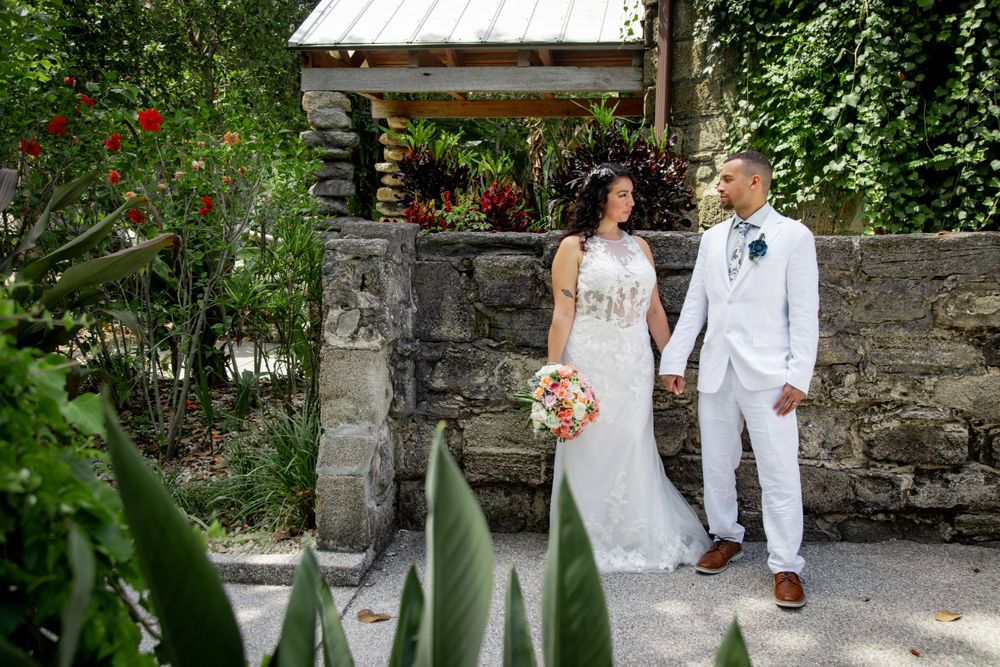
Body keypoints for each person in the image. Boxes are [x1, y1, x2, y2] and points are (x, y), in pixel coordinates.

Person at [659, 150, 819, 608]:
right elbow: (696, 305)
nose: (718, 187)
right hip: (717, 372)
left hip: (770, 376)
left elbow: (805, 312)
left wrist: (799, 376)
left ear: (755, 182)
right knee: (717, 463)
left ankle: (786, 564)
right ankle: (726, 536)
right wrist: (675, 360)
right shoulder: (711, 239)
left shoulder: (793, 236)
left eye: (727, 179)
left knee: (779, 472)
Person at [546, 163, 710, 573]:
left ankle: (639, 535)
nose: (631, 202)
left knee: (634, 442)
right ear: (600, 197)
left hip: (634, 360)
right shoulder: (573, 248)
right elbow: (563, 312)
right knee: (589, 447)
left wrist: (670, 361)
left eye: (631, 194)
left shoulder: (641, 247)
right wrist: (554, 373)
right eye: (623, 194)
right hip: (587, 358)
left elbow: (654, 310)